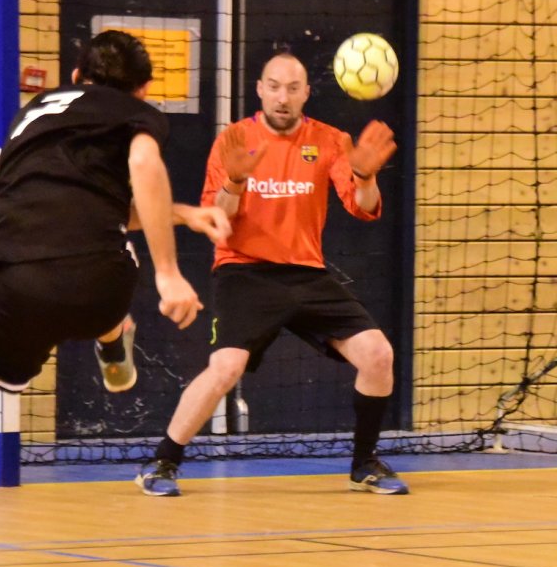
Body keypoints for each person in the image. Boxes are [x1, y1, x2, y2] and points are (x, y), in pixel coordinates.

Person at [0, 30, 229, 567]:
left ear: (76, 76)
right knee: (105, 257)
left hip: (16, 275)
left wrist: (184, 213)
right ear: (142, 91)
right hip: (99, 279)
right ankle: (110, 334)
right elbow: (140, 173)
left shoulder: (33, 112)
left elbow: (75, 198)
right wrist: (170, 273)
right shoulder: (134, 116)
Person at [136, 50, 405, 497]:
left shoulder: (332, 140)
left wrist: (363, 176)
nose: (283, 97)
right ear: (260, 89)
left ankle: (365, 464)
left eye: (293, 88)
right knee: (226, 367)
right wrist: (235, 183)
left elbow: (363, 208)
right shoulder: (235, 140)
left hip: (307, 274)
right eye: (274, 86)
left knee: (378, 355)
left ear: (306, 94)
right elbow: (217, 221)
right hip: (245, 272)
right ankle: (162, 462)